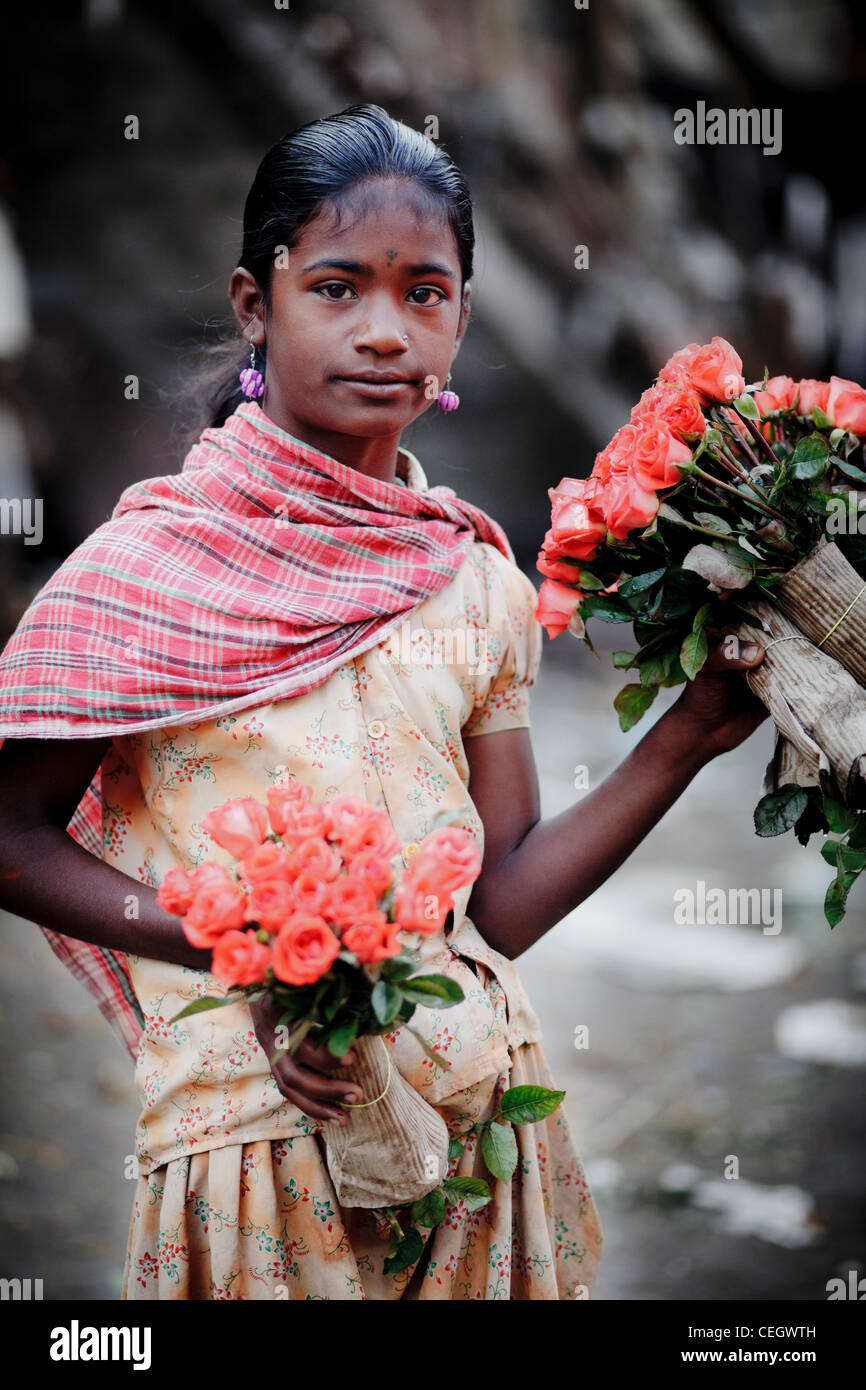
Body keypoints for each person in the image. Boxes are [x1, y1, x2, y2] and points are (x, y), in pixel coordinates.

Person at [0, 103, 767, 1301]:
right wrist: (243, 946)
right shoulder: (145, 570)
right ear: (257, 305)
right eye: (338, 288)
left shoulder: (469, 575)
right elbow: (11, 833)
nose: (384, 332)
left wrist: (684, 737)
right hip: (254, 1152)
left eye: (426, 293)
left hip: (473, 1131)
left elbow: (496, 902)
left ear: (462, 314)